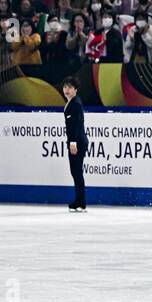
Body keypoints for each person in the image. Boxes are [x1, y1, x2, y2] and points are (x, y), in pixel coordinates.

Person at [62, 76, 88, 212]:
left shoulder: (75, 103)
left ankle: (81, 201)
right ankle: (80, 200)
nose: (67, 90)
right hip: (76, 142)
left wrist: (73, 142)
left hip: (77, 143)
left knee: (77, 172)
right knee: (75, 172)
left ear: (75, 89)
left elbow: (77, 125)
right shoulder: (71, 102)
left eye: (70, 87)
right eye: (65, 87)